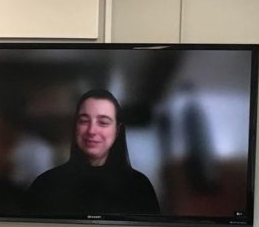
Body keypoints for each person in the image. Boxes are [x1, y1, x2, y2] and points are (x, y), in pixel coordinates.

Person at [26, 89, 161, 216]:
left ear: (117, 130)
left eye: (103, 122)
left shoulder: (140, 188)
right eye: (84, 121)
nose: (91, 131)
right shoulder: (45, 185)